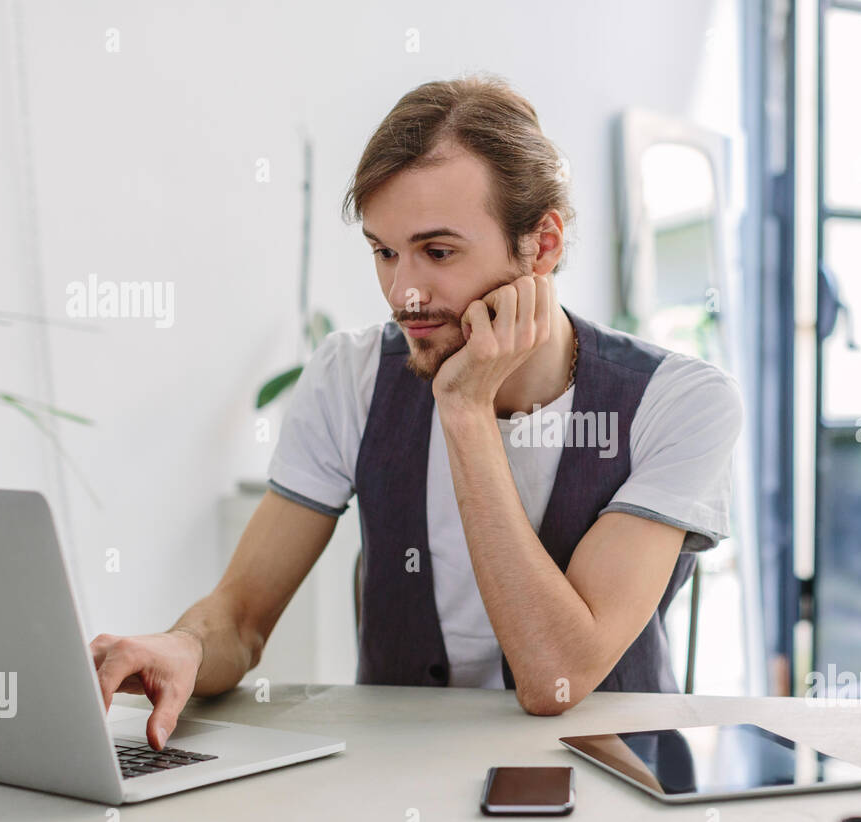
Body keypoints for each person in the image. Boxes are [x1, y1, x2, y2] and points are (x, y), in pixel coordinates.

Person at [91, 73, 743, 748]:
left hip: (614, 799)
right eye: (384, 252)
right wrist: (184, 647)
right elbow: (240, 616)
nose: (403, 294)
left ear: (542, 245)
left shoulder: (678, 403)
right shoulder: (350, 378)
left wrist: (465, 411)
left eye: (438, 252)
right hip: (399, 789)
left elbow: (556, 679)